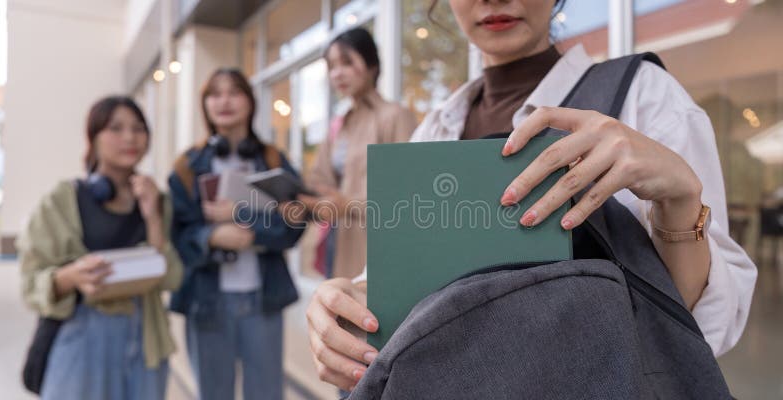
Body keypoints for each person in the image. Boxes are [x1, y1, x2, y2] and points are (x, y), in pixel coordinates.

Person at [305, 0, 757, 392]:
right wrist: (342, 301)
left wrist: (679, 199)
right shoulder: (435, 130)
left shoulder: (642, 96)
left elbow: (695, 328)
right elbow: (397, 287)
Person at [18, 96, 183, 399]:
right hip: (82, 336)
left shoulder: (157, 200)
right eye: (116, 128)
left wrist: (153, 217)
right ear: (93, 137)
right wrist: (71, 277)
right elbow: (30, 283)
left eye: (138, 128)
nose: (130, 137)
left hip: (145, 338)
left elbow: (170, 277)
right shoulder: (63, 200)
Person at [168, 68, 303, 400]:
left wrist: (249, 224)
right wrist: (210, 238)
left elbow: (294, 224)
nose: (224, 101)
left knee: (267, 394)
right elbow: (177, 236)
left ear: (250, 101)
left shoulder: (272, 160)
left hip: (264, 298)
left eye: (234, 92)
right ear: (205, 104)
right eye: (215, 94)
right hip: (207, 301)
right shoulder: (186, 166)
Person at [298, 27, 417, 279]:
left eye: (347, 62)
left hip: (377, 247)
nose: (337, 73)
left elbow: (410, 194)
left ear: (372, 64)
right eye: (331, 66)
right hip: (338, 240)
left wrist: (347, 203)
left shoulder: (395, 116)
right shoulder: (340, 124)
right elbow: (320, 179)